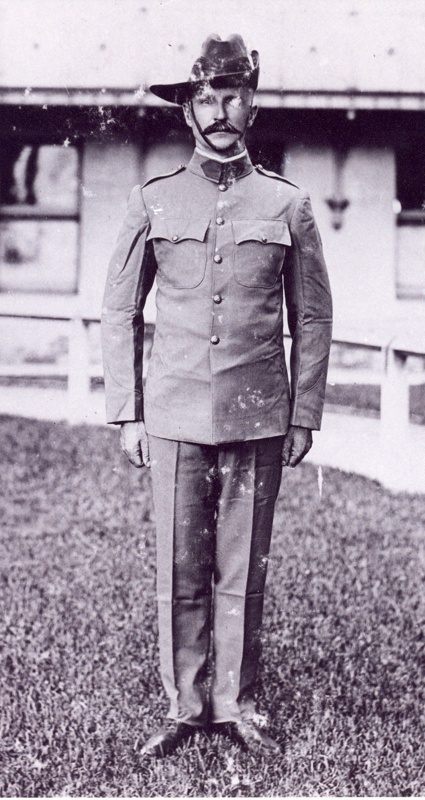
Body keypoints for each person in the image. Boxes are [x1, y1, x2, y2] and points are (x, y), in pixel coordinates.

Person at [101, 33, 332, 758]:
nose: (219, 110)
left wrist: (302, 415)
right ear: (187, 110)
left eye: (231, 94)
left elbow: (313, 316)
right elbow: (118, 309)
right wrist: (128, 411)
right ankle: (184, 706)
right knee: (179, 567)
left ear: (253, 103)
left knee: (242, 568)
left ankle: (238, 705)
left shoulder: (287, 205)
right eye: (205, 97)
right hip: (172, 416)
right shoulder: (153, 200)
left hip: (258, 414)